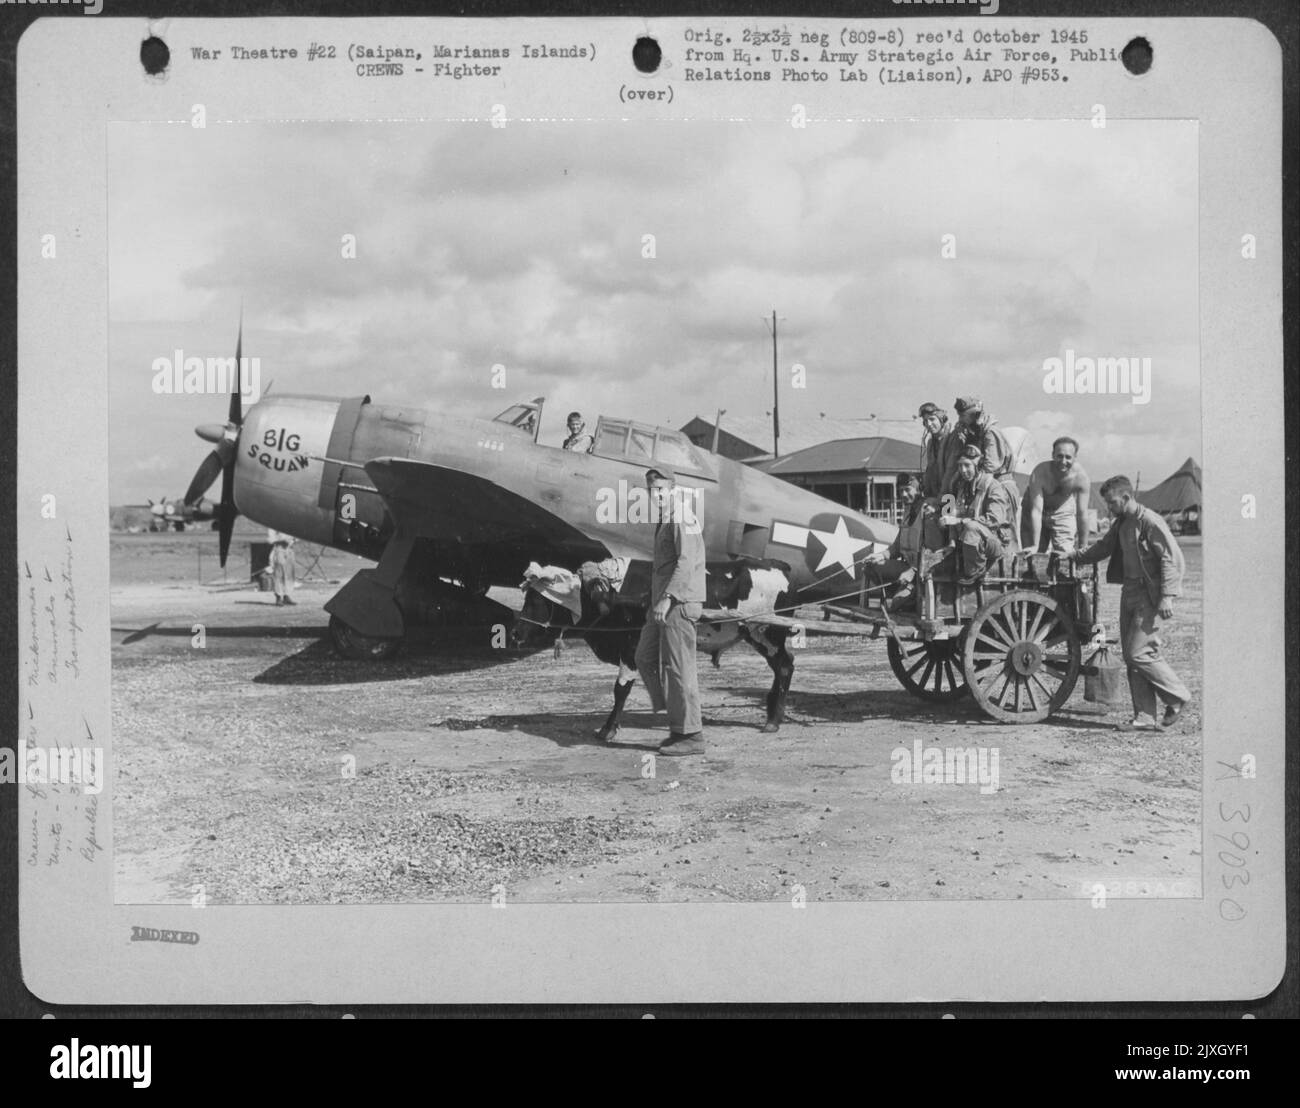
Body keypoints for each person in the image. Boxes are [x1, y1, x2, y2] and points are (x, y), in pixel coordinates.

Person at [1075, 475, 1191, 731]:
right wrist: (1074, 556)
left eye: (1112, 502)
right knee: (1132, 655)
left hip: (1148, 595)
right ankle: (1145, 717)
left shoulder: (1149, 521)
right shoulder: (1121, 523)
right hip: (1128, 592)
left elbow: (1171, 558)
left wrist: (1167, 596)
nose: (1109, 507)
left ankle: (1178, 696)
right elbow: (1103, 548)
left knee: (1139, 652)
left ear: (1126, 497)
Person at [633, 466, 707, 756]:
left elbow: (685, 563)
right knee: (644, 656)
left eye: (662, 490)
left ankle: (691, 735)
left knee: (679, 668)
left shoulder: (682, 517)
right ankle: (676, 721)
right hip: (663, 603)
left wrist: (667, 598)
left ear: (673, 489)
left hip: (678, 603)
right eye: (652, 491)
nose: (657, 495)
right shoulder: (666, 518)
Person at [939, 444, 1017, 581]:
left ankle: (975, 572)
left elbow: (995, 519)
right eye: (960, 465)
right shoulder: (961, 486)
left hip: (995, 543)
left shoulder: (993, 486)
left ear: (978, 466)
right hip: (973, 542)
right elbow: (953, 515)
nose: (963, 470)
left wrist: (960, 521)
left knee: (971, 528)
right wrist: (951, 541)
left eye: (967, 465)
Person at [953, 396, 1021, 531]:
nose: (960, 419)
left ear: (974, 414)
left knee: (1003, 532)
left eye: (963, 415)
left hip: (1000, 486)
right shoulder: (975, 432)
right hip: (985, 485)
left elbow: (991, 466)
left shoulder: (990, 432)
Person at [864, 475, 928, 609]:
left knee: (896, 604)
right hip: (907, 568)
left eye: (907, 490)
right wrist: (881, 555)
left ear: (919, 490)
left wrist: (914, 571)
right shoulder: (908, 510)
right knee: (870, 567)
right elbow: (898, 545)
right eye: (900, 491)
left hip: (924, 573)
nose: (903, 494)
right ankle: (902, 592)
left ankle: (909, 595)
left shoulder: (927, 512)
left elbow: (934, 551)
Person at [1025, 436, 1092, 554]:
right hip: (1035, 509)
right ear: (1053, 455)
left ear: (1075, 458)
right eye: (1059, 456)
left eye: (1068, 457)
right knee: (1032, 554)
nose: (1063, 461)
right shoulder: (1039, 472)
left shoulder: (1081, 478)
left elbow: (1082, 514)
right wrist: (1035, 545)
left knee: (1064, 553)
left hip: (1063, 510)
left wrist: (1083, 547)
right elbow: (1036, 510)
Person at [918, 401, 961, 497]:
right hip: (939, 494)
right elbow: (930, 471)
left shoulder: (953, 438)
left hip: (953, 494)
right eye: (925, 421)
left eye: (932, 419)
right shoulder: (930, 444)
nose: (929, 424)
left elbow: (950, 471)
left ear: (942, 419)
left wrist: (939, 500)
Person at [269, 537, 297, 606]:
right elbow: (271, 538)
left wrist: (293, 540)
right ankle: (278, 597)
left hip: (289, 549)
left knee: (289, 575)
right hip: (279, 549)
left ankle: (286, 596)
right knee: (279, 575)